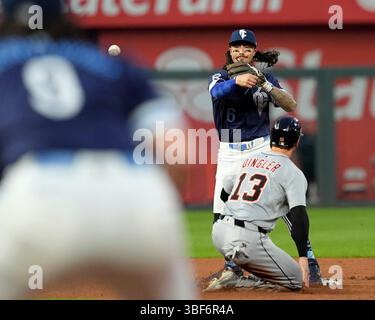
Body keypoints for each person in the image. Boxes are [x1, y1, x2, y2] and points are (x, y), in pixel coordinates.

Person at [0, 0, 196, 299]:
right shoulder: (114, 65)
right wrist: (158, 212)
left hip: (39, 194)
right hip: (136, 195)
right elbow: (176, 151)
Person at [206, 28, 321, 289]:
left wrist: (266, 85)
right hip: (229, 152)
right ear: (230, 51)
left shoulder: (265, 76)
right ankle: (232, 268)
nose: (241, 52)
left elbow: (289, 104)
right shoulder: (220, 76)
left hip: (260, 148)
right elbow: (216, 93)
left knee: (286, 205)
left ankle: (310, 260)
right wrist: (237, 81)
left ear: (253, 52)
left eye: (247, 48)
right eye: (237, 48)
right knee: (221, 211)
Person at [206, 116, 311, 292]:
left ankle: (237, 269)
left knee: (257, 248)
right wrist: (303, 257)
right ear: (297, 141)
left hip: (219, 232)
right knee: (295, 280)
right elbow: (299, 217)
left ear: (272, 137)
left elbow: (225, 192)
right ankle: (240, 284)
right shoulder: (293, 173)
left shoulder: (248, 160)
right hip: (246, 240)